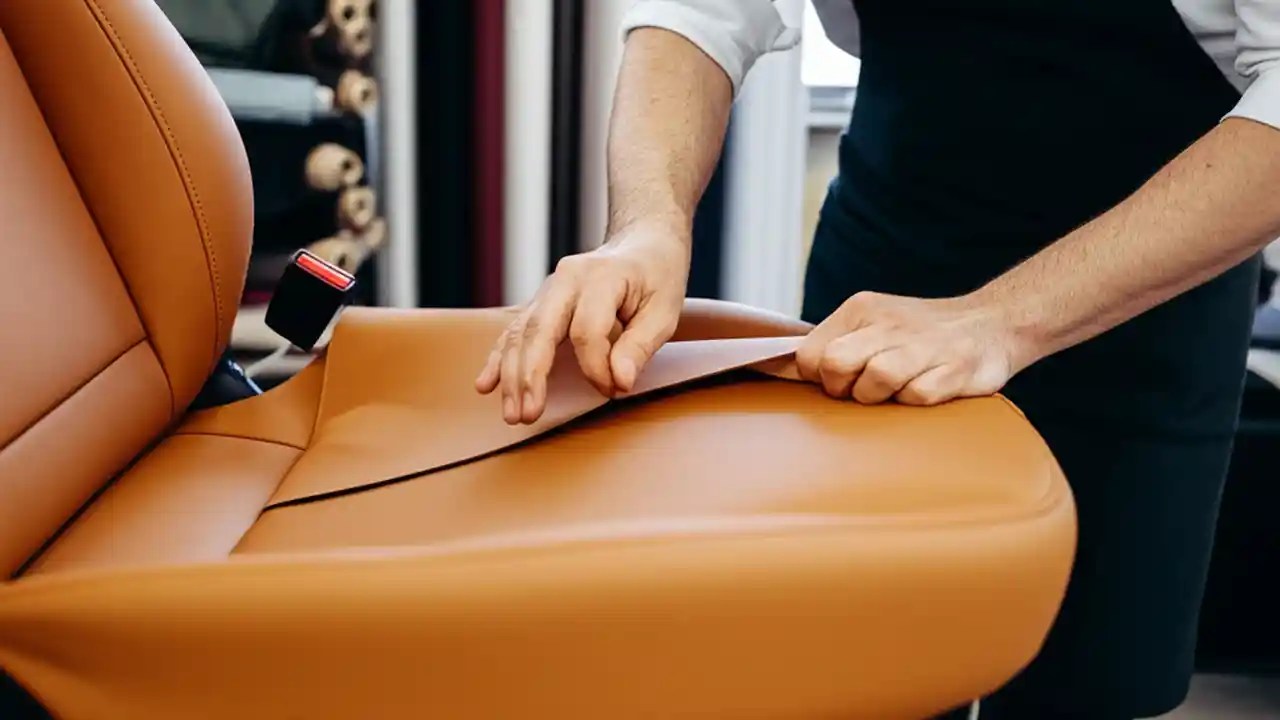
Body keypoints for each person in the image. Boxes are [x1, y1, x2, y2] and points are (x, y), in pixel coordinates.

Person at [475, 1, 1280, 717]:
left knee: (1089, 683)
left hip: (1136, 314)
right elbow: (698, 15)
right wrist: (646, 225)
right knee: (858, 668)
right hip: (883, 270)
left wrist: (997, 322)